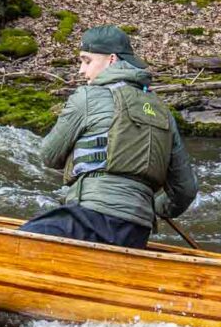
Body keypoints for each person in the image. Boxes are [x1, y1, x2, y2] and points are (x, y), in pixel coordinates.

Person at [20, 25, 197, 249]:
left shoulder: (87, 97)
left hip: (91, 219)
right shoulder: (163, 111)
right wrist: (153, 208)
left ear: (111, 60)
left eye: (86, 61)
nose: (81, 71)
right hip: (137, 230)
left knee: (16, 243)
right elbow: (186, 190)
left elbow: (49, 156)